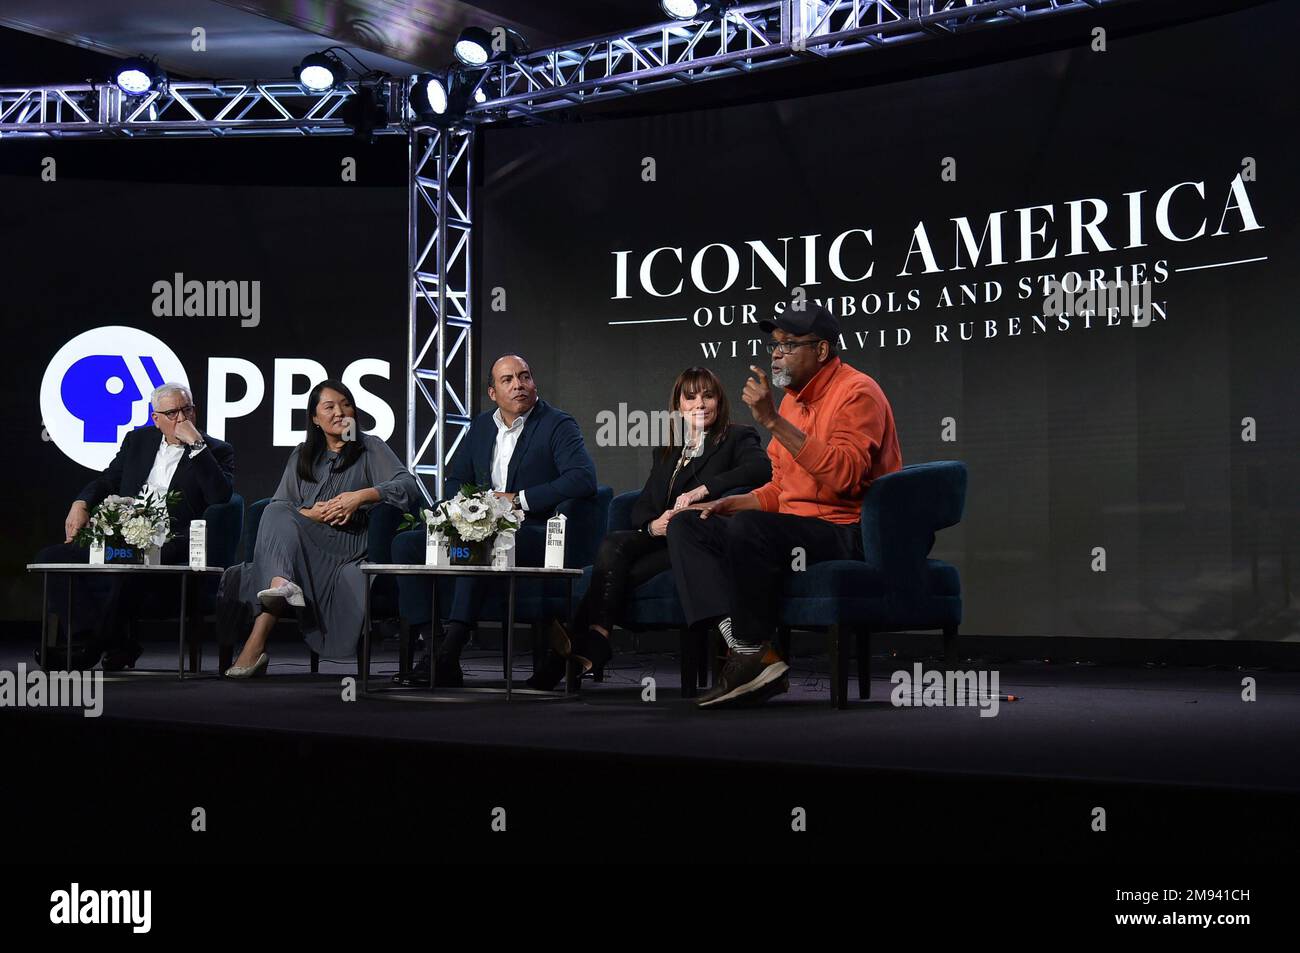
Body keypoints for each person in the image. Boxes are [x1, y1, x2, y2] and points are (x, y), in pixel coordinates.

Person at [667, 304, 903, 709]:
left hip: (846, 530)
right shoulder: (792, 401)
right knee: (689, 524)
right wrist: (733, 503)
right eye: (774, 345)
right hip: (795, 527)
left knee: (752, 529)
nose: (776, 354)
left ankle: (752, 653)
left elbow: (846, 477)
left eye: (789, 345)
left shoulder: (858, 393)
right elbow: (779, 487)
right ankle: (747, 650)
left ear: (823, 351)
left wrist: (773, 422)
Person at [525, 366, 770, 690]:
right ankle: (595, 639)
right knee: (614, 543)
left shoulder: (737, 437)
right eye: (691, 397)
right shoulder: (668, 451)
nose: (700, 403)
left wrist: (703, 490)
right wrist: (653, 524)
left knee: (614, 567)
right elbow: (643, 505)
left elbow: (760, 469)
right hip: (661, 537)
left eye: (708, 396)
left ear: (719, 402)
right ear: (679, 406)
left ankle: (571, 653)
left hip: (699, 541)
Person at [391, 354, 597, 688]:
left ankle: (450, 652)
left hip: (532, 531)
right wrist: (471, 507)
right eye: (508, 380)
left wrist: (518, 499)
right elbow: (456, 480)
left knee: (482, 541)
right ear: (492, 392)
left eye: (525, 376)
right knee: (407, 544)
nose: (519, 385)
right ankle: (433, 647)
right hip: (480, 524)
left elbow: (583, 478)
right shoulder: (481, 427)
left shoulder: (557, 424)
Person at [220, 379, 421, 678]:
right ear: (315, 418)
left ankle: (258, 638)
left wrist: (360, 496)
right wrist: (312, 514)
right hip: (306, 545)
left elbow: (408, 487)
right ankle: (280, 588)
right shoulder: (302, 455)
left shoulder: (370, 447)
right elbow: (282, 505)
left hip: (348, 545)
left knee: (277, 516)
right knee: (275, 511)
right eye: (330, 407)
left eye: (346, 404)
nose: (340, 412)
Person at [36, 382, 235, 670]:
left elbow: (221, 496)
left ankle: (87, 652)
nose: (182, 419)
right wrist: (81, 503)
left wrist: (197, 446)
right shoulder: (138, 441)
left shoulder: (217, 450)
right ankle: (98, 641)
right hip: (122, 534)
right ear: (156, 418)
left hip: (171, 543)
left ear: (195, 411)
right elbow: (108, 480)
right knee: (51, 558)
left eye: (187, 410)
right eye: (172, 413)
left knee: (127, 568)